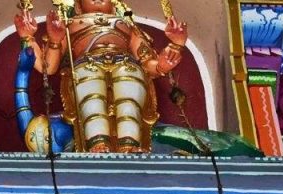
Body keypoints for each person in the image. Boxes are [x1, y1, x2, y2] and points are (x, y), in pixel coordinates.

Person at [13, 0, 188, 153]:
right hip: (87, 65)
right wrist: (39, 38)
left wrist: (170, 54)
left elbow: (148, 63)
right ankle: (97, 141)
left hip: (126, 64)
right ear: (78, 6)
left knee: (129, 94)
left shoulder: (127, 26)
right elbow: (48, 67)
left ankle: (130, 143)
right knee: (91, 94)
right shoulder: (70, 25)